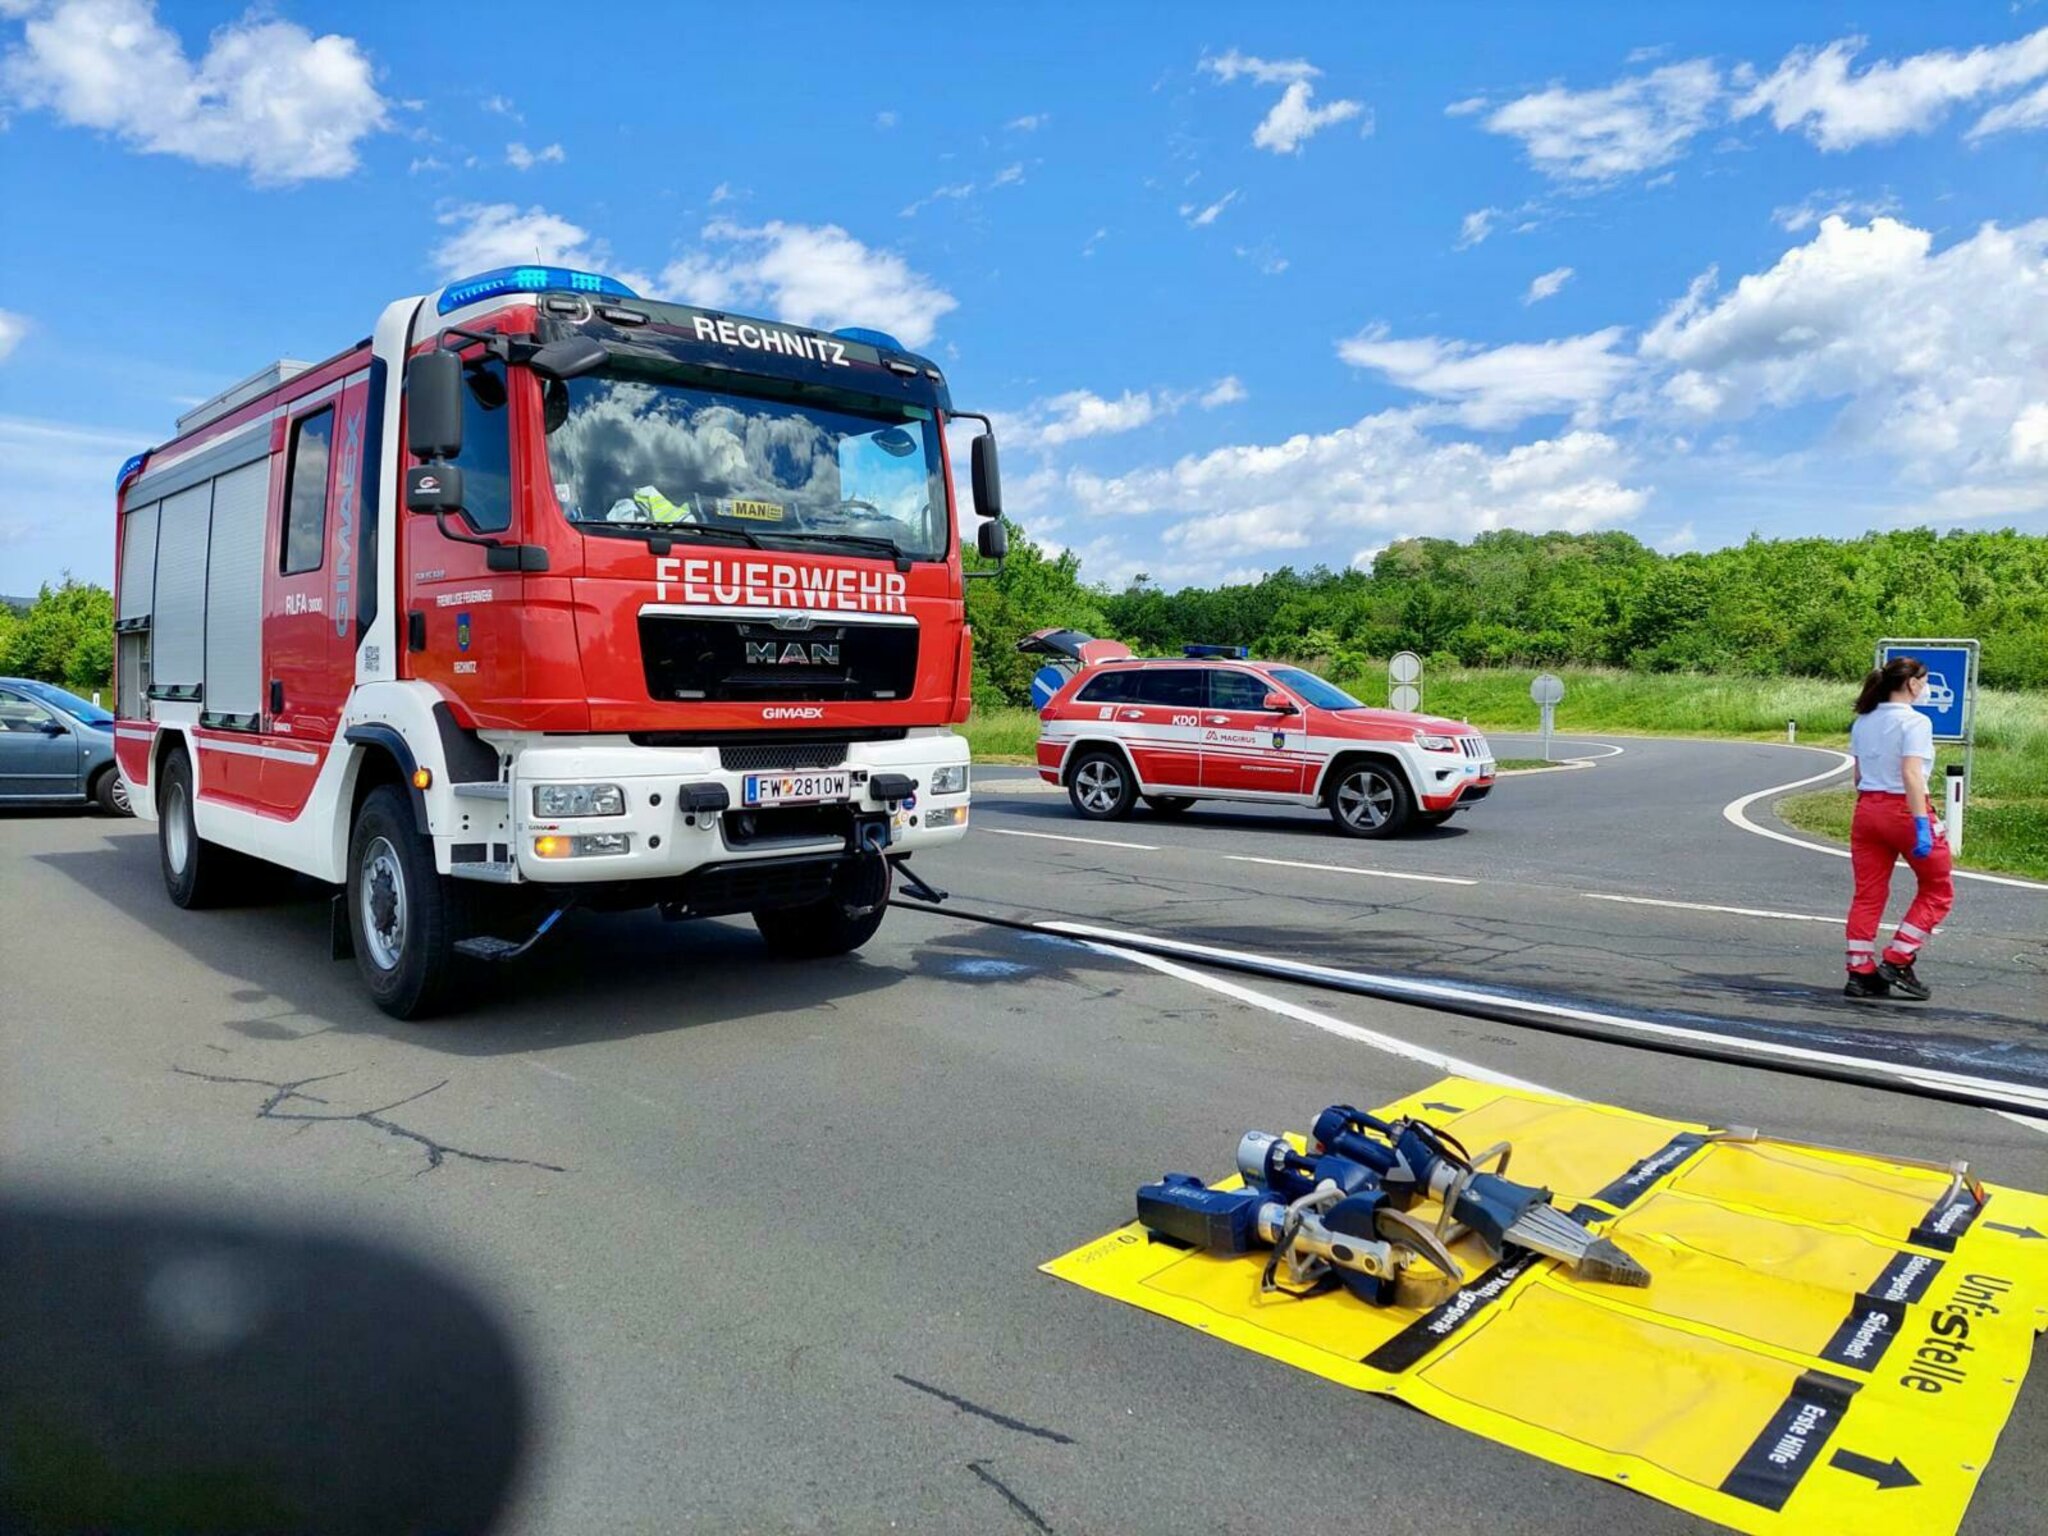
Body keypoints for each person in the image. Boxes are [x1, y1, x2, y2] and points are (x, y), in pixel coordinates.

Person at [1843, 657, 1954, 1002]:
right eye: (1924, 682)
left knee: (1868, 893)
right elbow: (1911, 774)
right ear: (1912, 684)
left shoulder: (1863, 721)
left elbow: (1859, 777)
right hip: (1905, 809)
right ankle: (1898, 957)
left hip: (1867, 809)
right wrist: (1923, 823)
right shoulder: (1915, 722)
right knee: (1937, 888)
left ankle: (1860, 971)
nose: (1926, 688)